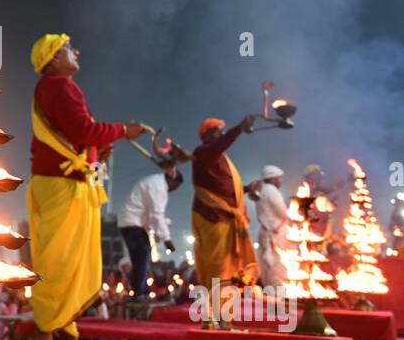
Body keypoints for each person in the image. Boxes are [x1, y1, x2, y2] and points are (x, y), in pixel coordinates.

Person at [27, 33, 146, 340]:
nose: (75, 51)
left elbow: (76, 139)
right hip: (62, 187)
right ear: (52, 59)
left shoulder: (54, 87)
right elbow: (83, 130)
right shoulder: (59, 85)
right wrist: (123, 130)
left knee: (71, 266)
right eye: (67, 48)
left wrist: (97, 152)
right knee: (58, 266)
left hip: (67, 184)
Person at [190, 116, 261, 305]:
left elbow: (221, 187)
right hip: (214, 218)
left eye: (223, 130)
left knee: (230, 267)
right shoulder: (204, 152)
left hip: (226, 218)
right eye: (218, 131)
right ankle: (216, 312)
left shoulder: (217, 157)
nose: (222, 134)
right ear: (208, 135)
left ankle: (226, 308)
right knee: (219, 266)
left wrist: (245, 189)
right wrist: (239, 128)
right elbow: (219, 146)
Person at [118, 153, 182, 297]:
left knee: (141, 257)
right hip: (132, 222)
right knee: (142, 256)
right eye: (175, 186)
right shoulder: (159, 187)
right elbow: (156, 215)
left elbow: (152, 216)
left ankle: (141, 291)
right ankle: (140, 293)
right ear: (172, 179)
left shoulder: (154, 182)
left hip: (131, 222)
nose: (173, 190)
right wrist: (167, 239)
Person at [250, 165, 289, 286]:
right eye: (279, 178)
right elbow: (283, 212)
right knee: (276, 268)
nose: (281, 181)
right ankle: (277, 298)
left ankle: (271, 296)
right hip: (274, 235)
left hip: (266, 233)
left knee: (267, 267)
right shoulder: (271, 191)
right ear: (272, 179)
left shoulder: (262, 190)